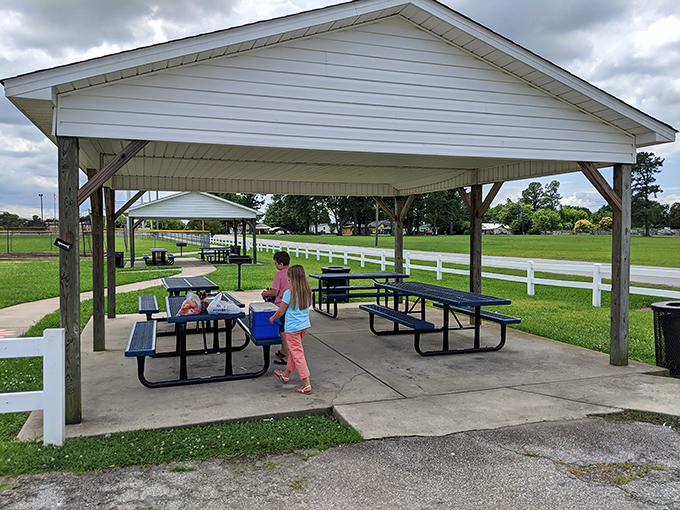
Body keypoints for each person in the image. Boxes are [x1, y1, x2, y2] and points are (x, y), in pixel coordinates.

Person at [270, 264, 313, 395]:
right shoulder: (307, 290)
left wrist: (272, 318)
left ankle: (306, 383)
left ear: (292, 278)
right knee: (295, 352)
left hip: (292, 329)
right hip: (303, 326)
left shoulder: (289, 293)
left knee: (298, 354)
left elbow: (280, 312)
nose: (287, 279)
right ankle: (286, 375)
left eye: (289, 277)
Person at [261, 251, 290, 365]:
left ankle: (288, 357)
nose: (275, 265)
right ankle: (283, 351)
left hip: (281, 305)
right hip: (291, 306)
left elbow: (274, 292)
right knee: (286, 330)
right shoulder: (292, 272)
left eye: (275, 263)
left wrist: (265, 294)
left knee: (283, 332)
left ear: (281, 264)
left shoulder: (278, 275)